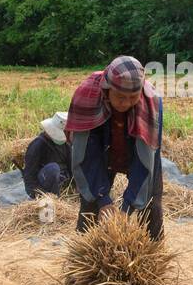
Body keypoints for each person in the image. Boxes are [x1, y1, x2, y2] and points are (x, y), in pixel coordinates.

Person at [66, 56, 164, 240]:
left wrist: (127, 208)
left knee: (150, 202)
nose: (125, 103)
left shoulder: (152, 104)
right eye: (120, 97)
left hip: (135, 148)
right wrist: (102, 199)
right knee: (90, 206)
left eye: (132, 98)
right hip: (103, 148)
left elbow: (145, 162)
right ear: (107, 88)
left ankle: (153, 249)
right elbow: (86, 155)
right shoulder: (87, 97)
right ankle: (84, 249)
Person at [22, 111, 71, 198]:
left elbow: (72, 166)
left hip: (62, 181)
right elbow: (29, 177)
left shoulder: (65, 145)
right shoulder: (38, 145)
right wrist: (42, 195)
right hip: (45, 184)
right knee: (53, 168)